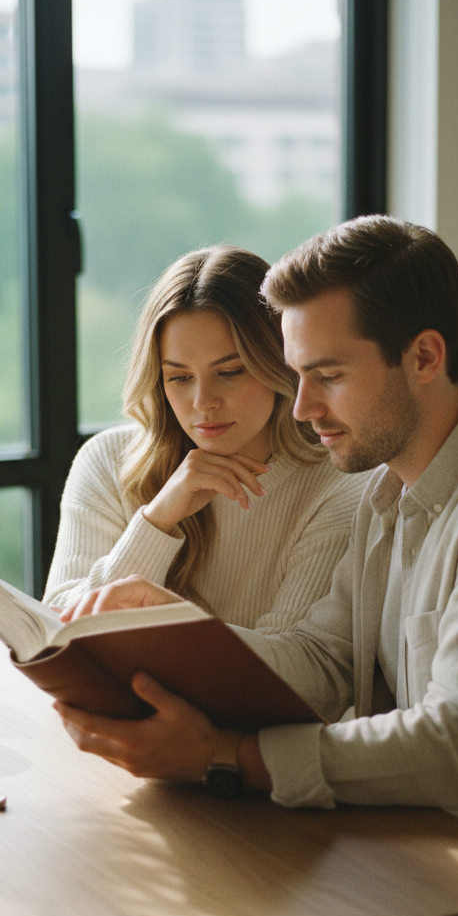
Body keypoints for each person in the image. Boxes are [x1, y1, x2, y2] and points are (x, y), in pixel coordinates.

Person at [54, 217, 458, 916]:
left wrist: (226, 755)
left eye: (329, 376)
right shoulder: (388, 493)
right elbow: (322, 658)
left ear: (424, 356)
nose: (304, 408)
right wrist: (178, 638)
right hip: (418, 869)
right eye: (297, 374)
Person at [44, 244, 366, 633]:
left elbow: (295, 665)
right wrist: (157, 520)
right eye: (179, 377)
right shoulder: (106, 461)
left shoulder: (336, 482)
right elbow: (57, 627)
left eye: (229, 372)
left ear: (279, 363)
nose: (203, 403)